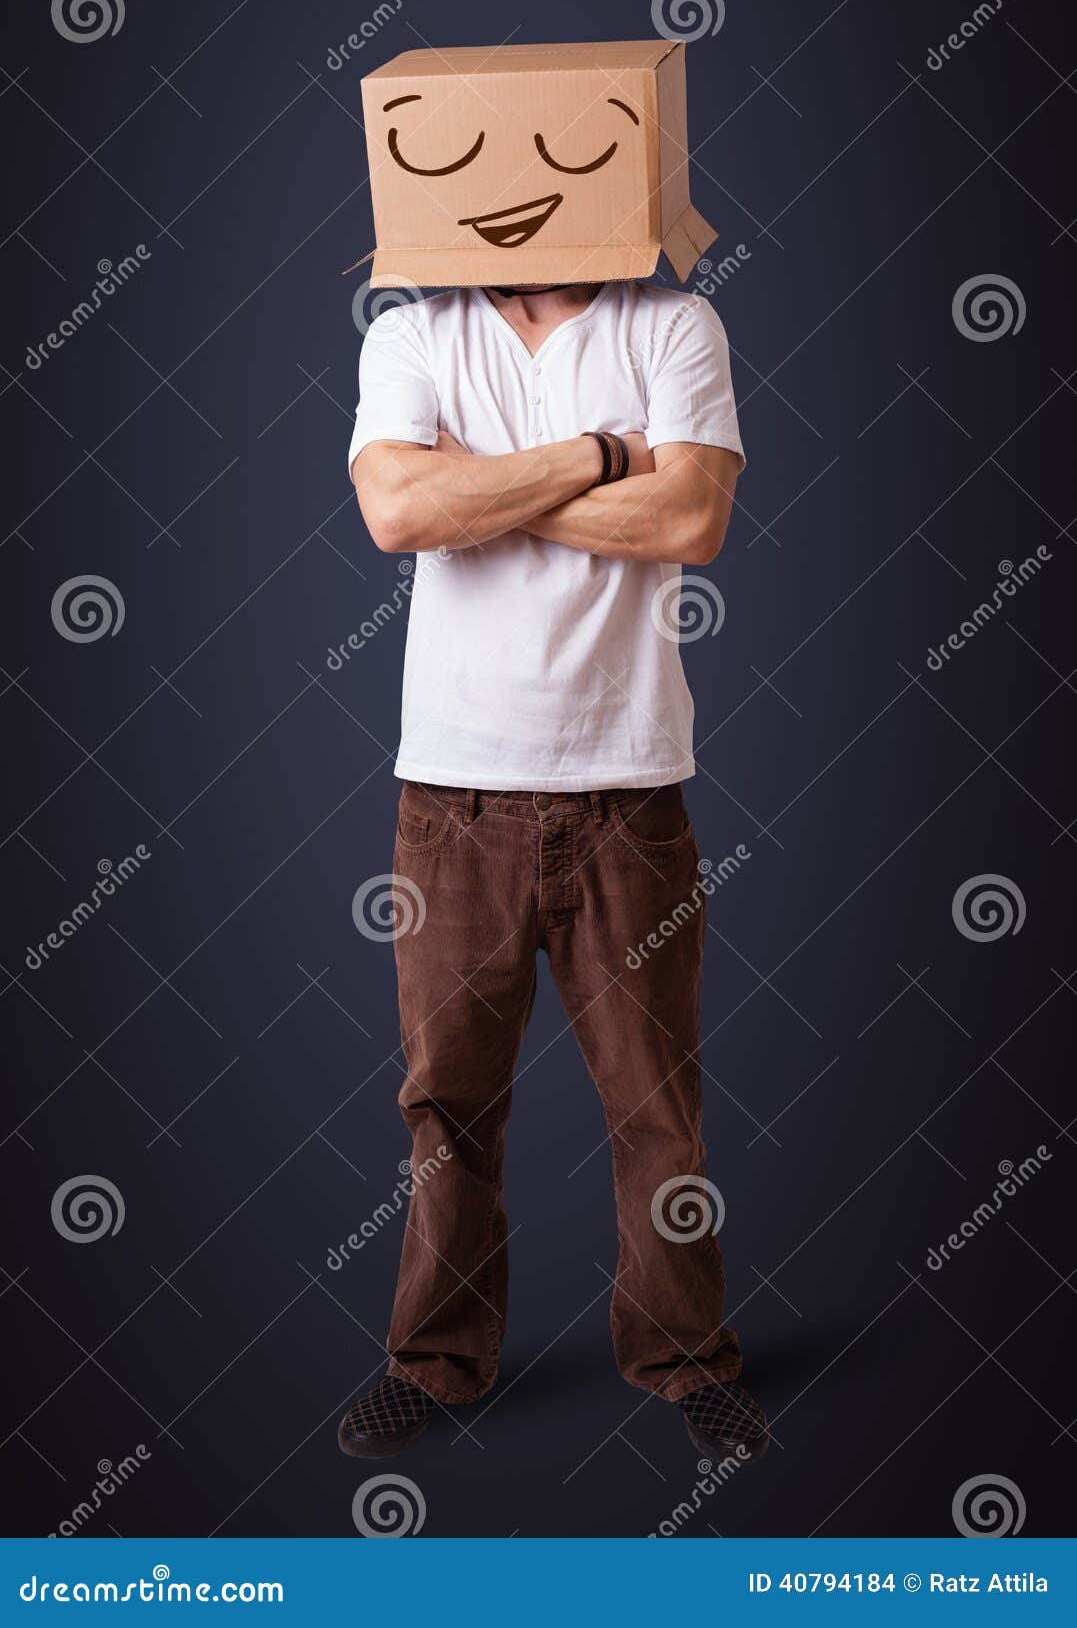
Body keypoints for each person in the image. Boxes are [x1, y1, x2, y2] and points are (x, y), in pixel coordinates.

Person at [336, 277, 769, 1464]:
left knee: (657, 1112)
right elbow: (392, 513)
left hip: (629, 791)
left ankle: (686, 1363)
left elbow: (691, 524)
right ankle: (433, 1357)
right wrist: (601, 455)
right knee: (447, 1108)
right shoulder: (415, 329)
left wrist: (478, 489)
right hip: (453, 799)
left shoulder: (675, 323)